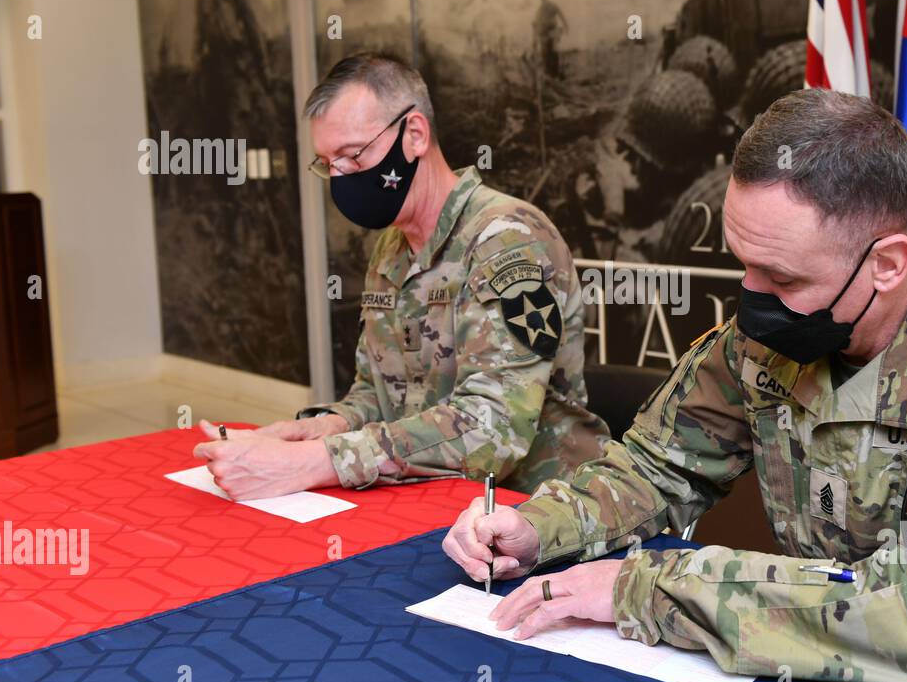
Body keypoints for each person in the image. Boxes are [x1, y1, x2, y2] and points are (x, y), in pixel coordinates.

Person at [443, 88, 907, 682]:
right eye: (743, 266)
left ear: (888, 263)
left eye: (782, 279)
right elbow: (662, 464)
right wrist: (543, 527)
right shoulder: (777, 333)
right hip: (820, 664)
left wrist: (650, 590)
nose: (752, 301)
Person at [194, 53, 609, 500]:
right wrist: (318, 430)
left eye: (352, 156)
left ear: (413, 135)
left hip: (535, 515)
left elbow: (493, 430)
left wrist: (318, 462)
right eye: (327, 163)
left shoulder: (506, 239)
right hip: (430, 502)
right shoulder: (392, 249)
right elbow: (379, 394)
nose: (339, 177)